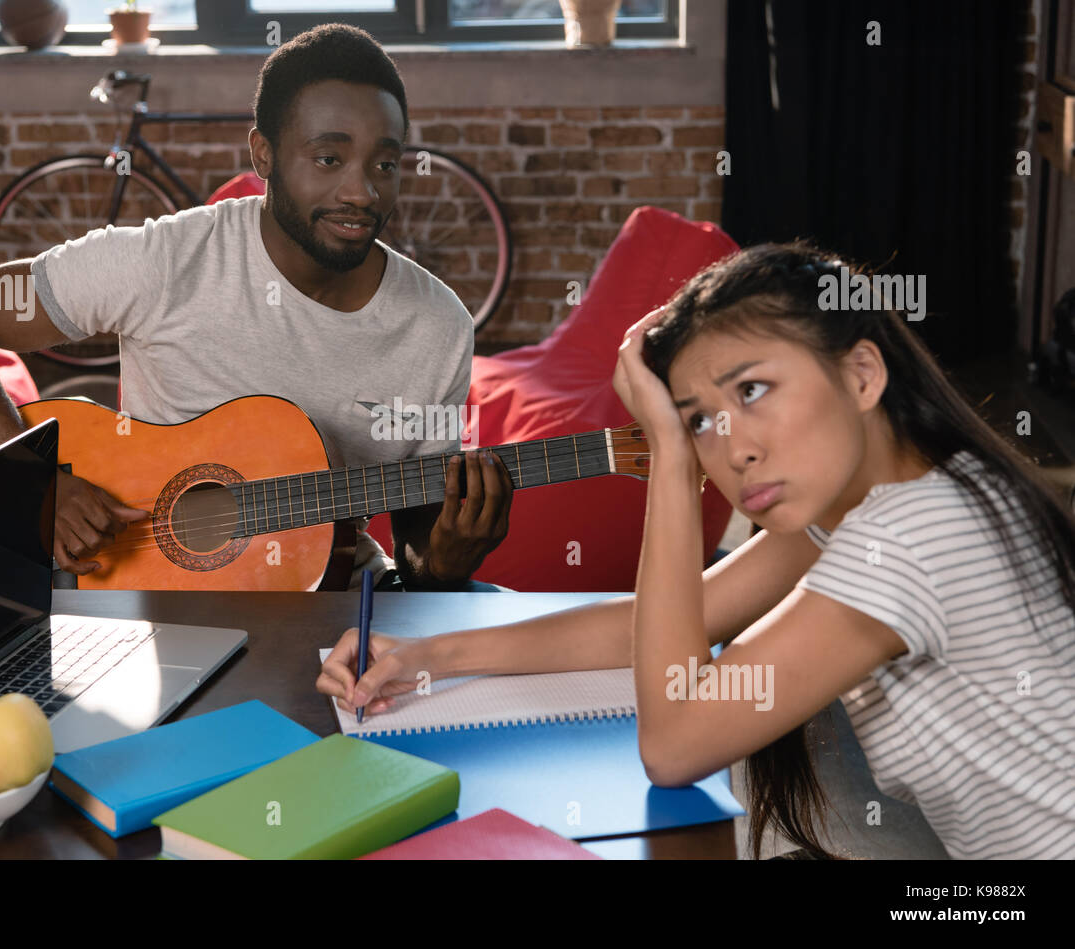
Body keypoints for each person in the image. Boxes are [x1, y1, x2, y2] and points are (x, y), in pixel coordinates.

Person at [318, 241, 1075, 859]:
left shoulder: (913, 536)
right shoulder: (880, 501)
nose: (733, 447)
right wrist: (428, 658)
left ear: (862, 374)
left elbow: (675, 745)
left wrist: (671, 464)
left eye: (751, 391)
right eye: (699, 420)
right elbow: (653, 624)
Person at [0, 24, 512, 592]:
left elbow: (417, 555)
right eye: (329, 159)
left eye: (384, 163)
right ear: (264, 155)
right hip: (140, 607)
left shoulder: (438, 326)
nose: (362, 192)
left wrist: (449, 561)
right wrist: (33, 485)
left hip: (330, 601)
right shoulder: (163, 260)